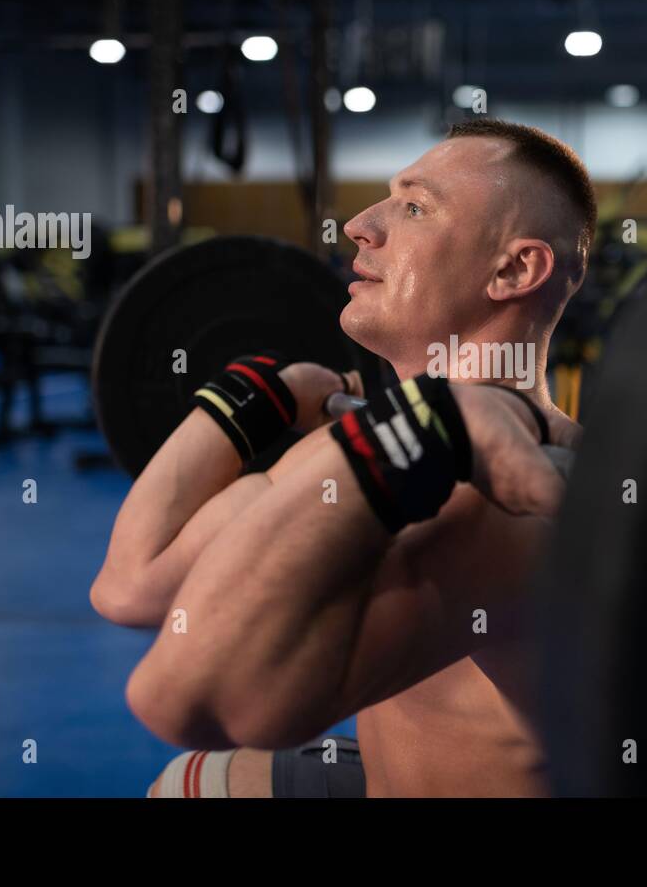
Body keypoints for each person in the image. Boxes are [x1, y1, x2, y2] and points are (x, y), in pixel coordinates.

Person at [91, 118, 594, 796]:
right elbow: (130, 585)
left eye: (414, 207)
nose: (360, 225)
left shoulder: (510, 497)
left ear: (514, 268)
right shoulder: (381, 454)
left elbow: (188, 698)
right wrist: (253, 399)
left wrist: (407, 435)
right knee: (194, 784)